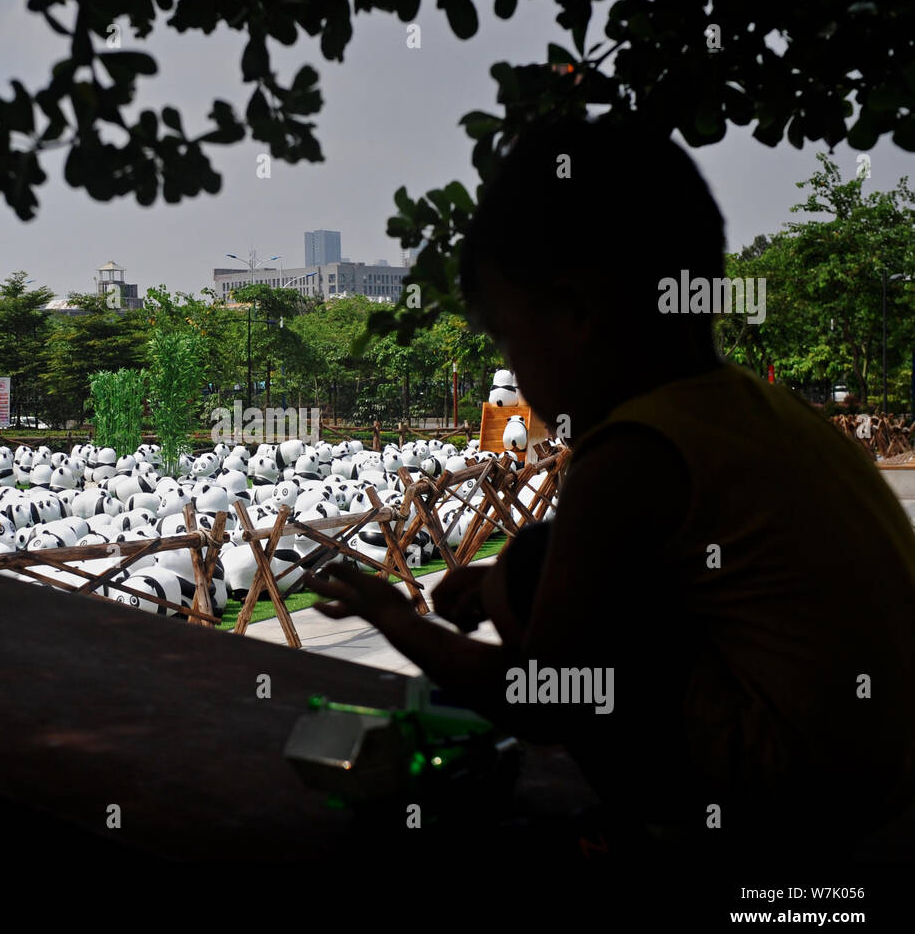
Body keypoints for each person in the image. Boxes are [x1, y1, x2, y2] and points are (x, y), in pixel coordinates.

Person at [306, 116, 915, 860]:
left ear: (575, 316)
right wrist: (503, 584)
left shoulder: (630, 454)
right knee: (531, 565)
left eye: (506, 338)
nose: (514, 372)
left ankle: (671, 832)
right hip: (882, 790)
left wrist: (396, 620)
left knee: (533, 567)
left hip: (793, 806)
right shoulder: (755, 411)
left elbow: (542, 696)